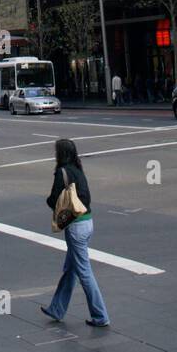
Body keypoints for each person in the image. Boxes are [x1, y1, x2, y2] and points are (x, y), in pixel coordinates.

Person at [41, 138, 109, 328]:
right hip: (88, 222)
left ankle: (100, 315)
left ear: (60, 153)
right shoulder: (78, 170)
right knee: (71, 269)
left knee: (84, 272)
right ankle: (57, 308)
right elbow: (86, 198)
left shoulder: (62, 171)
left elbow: (53, 199)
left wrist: (55, 202)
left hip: (76, 227)